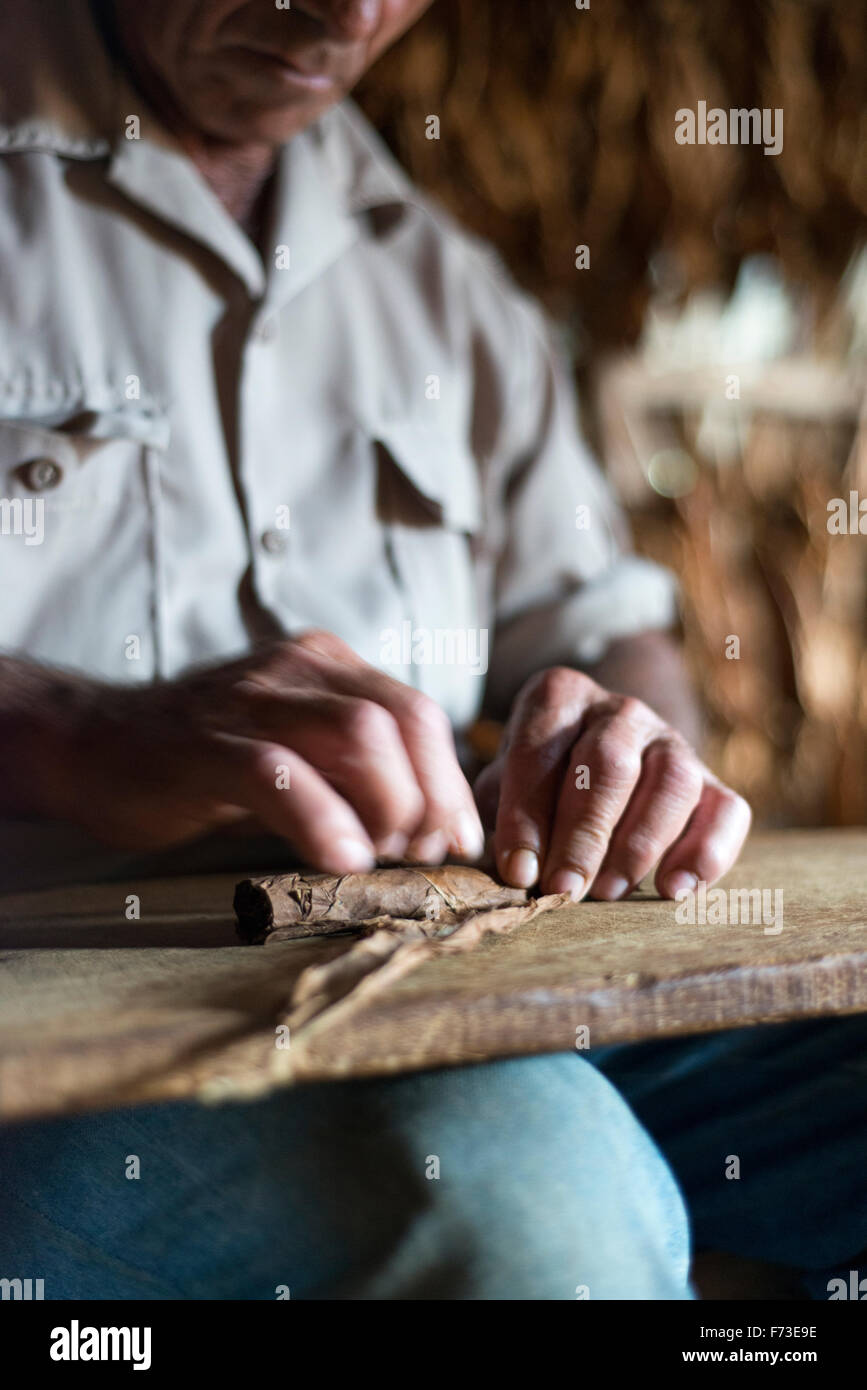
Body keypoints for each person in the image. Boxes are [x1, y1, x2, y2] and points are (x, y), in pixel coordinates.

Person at [0, 0, 862, 1301]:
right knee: (538, 1194)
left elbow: (598, 627)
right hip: (62, 1034)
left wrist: (622, 744)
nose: (346, 13)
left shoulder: (438, 284)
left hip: (448, 973)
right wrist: (68, 733)